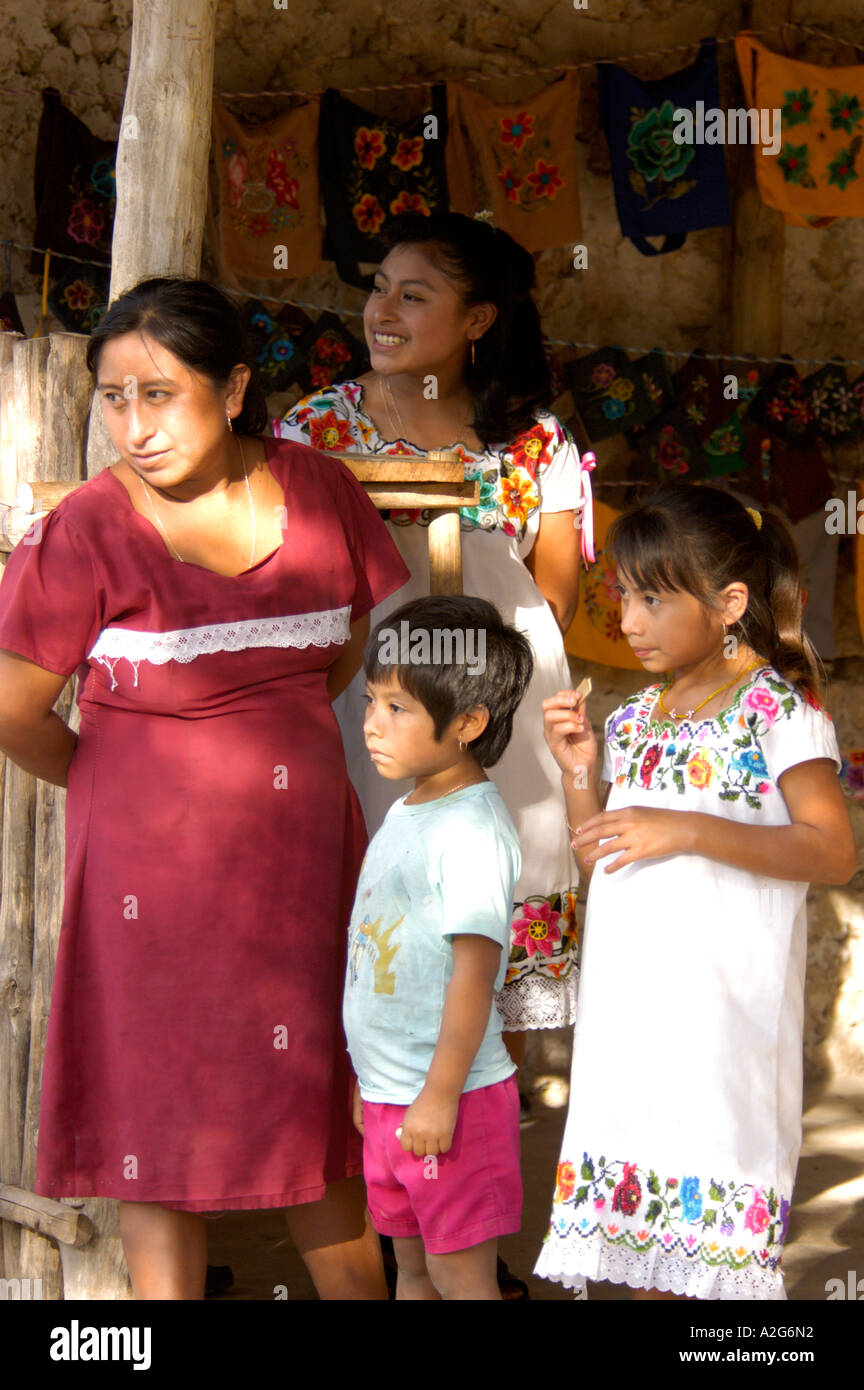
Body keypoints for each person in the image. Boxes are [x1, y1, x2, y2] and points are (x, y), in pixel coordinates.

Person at [0, 277, 410, 1300]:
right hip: (147, 881)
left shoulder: (322, 493)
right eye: (114, 396)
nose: (133, 425)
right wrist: (121, 782)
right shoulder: (83, 534)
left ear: (233, 388)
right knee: (158, 1104)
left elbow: (343, 646)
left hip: (303, 865)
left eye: (160, 394)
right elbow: (13, 712)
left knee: (312, 1094)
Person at [534, 484, 856, 1301]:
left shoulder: (776, 715)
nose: (629, 623)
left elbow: (832, 852)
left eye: (650, 599)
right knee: (647, 1260)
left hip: (721, 1030)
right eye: (621, 599)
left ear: (730, 602)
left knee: (702, 1265)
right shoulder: (638, 716)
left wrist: (685, 828)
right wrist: (580, 773)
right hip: (631, 1021)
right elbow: (604, 845)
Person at [278, 212, 586, 1060]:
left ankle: (476, 1125)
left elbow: (551, 603)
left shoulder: (534, 445)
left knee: (487, 919)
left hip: (501, 721)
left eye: (415, 296)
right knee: (374, 925)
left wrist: (478, 697)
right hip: (363, 709)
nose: (384, 310)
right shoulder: (314, 435)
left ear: (478, 321)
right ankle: (370, 1152)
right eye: (379, 288)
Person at [344, 595, 533, 1299]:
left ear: (467, 723)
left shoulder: (473, 831)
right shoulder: (408, 808)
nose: (371, 722)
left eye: (398, 707)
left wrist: (438, 1096)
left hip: (450, 1105)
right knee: (414, 1269)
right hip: (396, 1097)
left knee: (462, 1278)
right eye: (372, 701)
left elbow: (472, 979)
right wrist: (376, 1084)